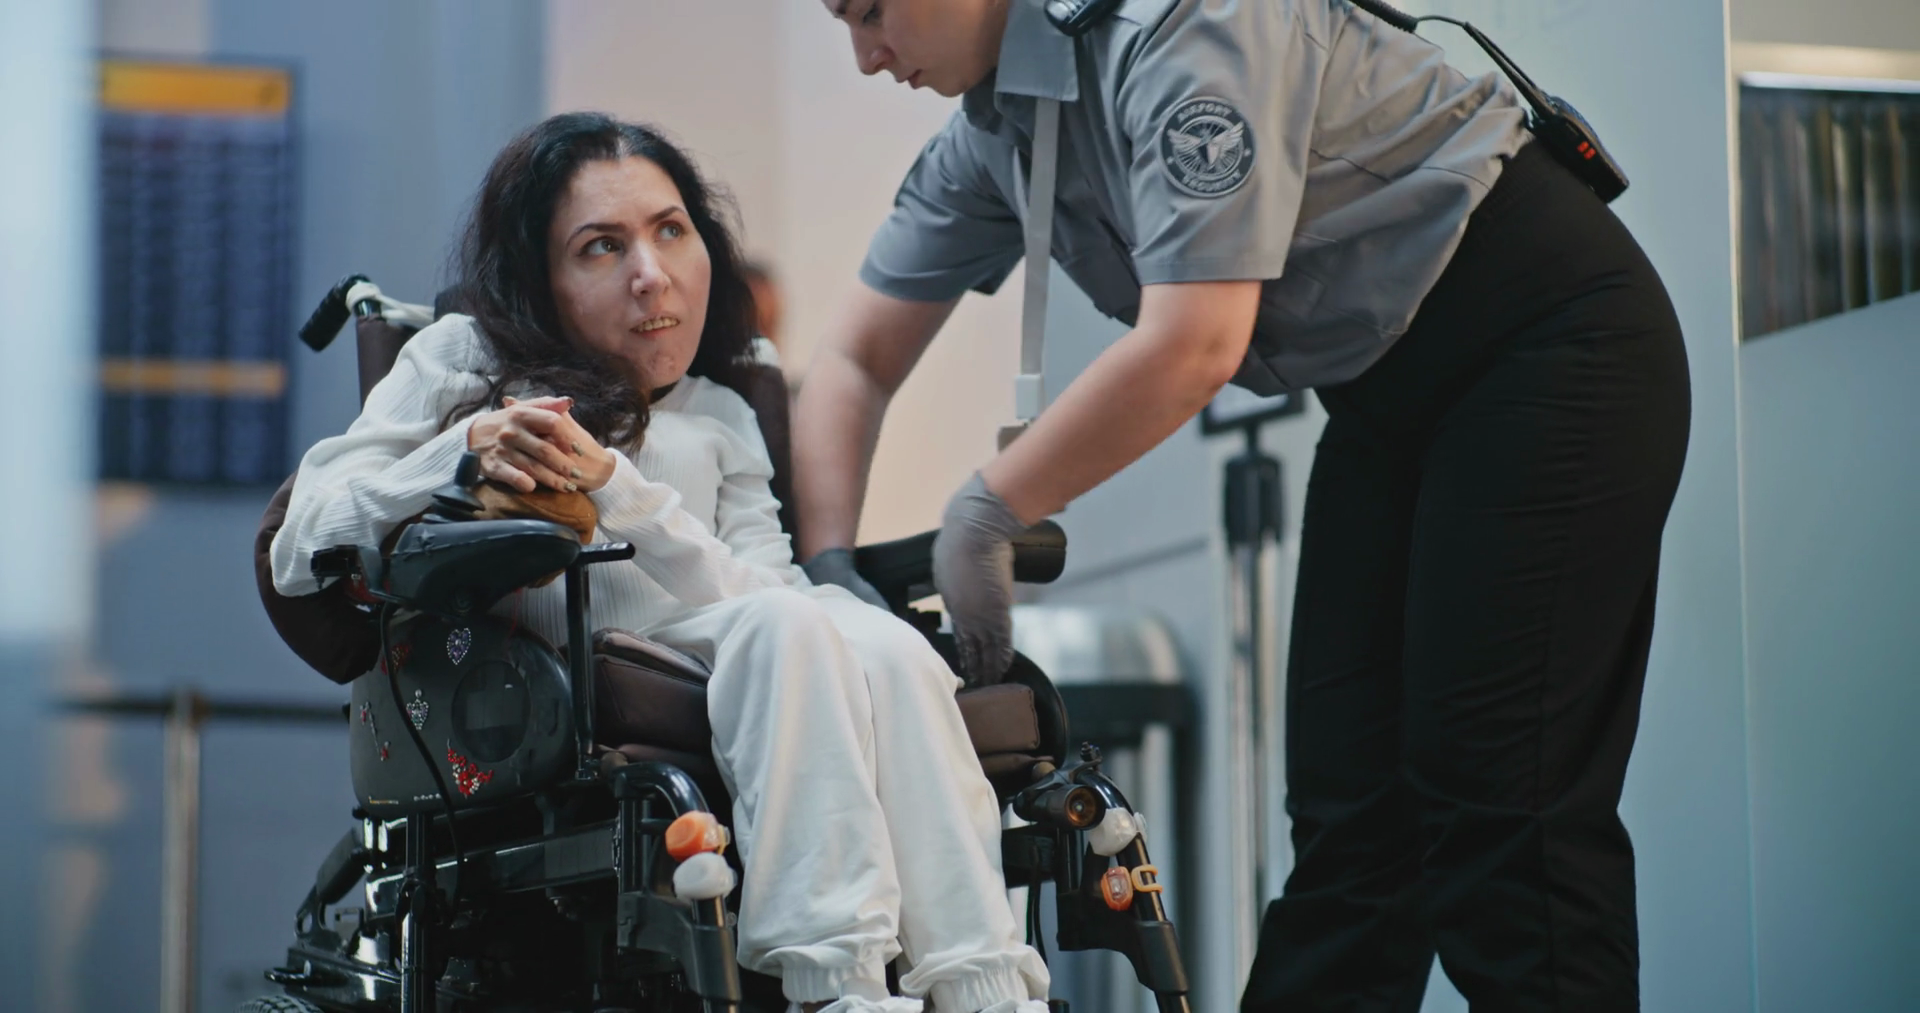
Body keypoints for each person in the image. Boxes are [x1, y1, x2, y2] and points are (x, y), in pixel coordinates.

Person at [794, 2, 1691, 1010]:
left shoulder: (1186, 25)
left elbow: (1196, 341)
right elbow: (852, 361)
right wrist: (826, 575)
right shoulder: (1001, 130)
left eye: (870, 10)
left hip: (1547, 340)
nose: (865, 57)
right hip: (1388, 394)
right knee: (1353, 828)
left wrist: (989, 508)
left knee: (1502, 811)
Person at [269, 112, 1049, 1013]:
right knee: (795, 628)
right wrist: (460, 451)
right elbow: (304, 535)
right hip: (557, 666)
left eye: (671, 230)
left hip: (738, 631)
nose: (653, 274)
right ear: (542, 278)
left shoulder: (723, 410)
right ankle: (836, 986)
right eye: (602, 247)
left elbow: (760, 585)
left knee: (892, 648)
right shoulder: (468, 363)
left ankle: (981, 984)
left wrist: (623, 492)